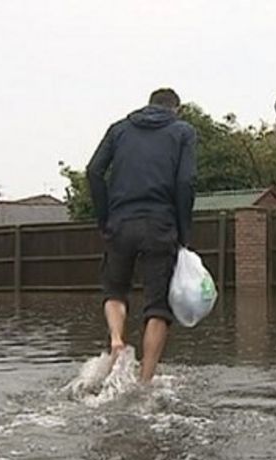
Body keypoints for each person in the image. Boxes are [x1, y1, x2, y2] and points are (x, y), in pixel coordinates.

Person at [86, 88, 197, 383]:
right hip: (160, 225)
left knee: (114, 290)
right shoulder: (182, 132)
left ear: (149, 104)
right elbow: (186, 180)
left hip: (120, 222)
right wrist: (184, 233)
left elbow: (94, 171)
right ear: (177, 109)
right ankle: (145, 382)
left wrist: (104, 218)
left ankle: (116, 339)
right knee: (157, 307)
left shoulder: (119, 130)